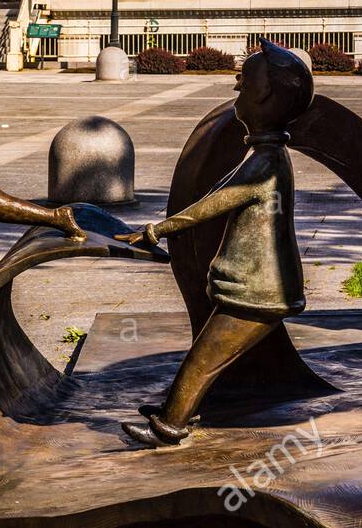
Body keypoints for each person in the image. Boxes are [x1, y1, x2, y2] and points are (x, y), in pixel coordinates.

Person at [116, 40, 314, 447]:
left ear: (264, 98)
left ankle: (170, 426)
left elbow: (210, 205)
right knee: (209, 358)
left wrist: (155, 231)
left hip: (259, 292)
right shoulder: (263, 158)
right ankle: (178, 409)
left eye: (243, 86)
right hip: (255, 288)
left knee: (202, 360)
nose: (235, 92)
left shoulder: (266, 164)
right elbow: (219, 194)